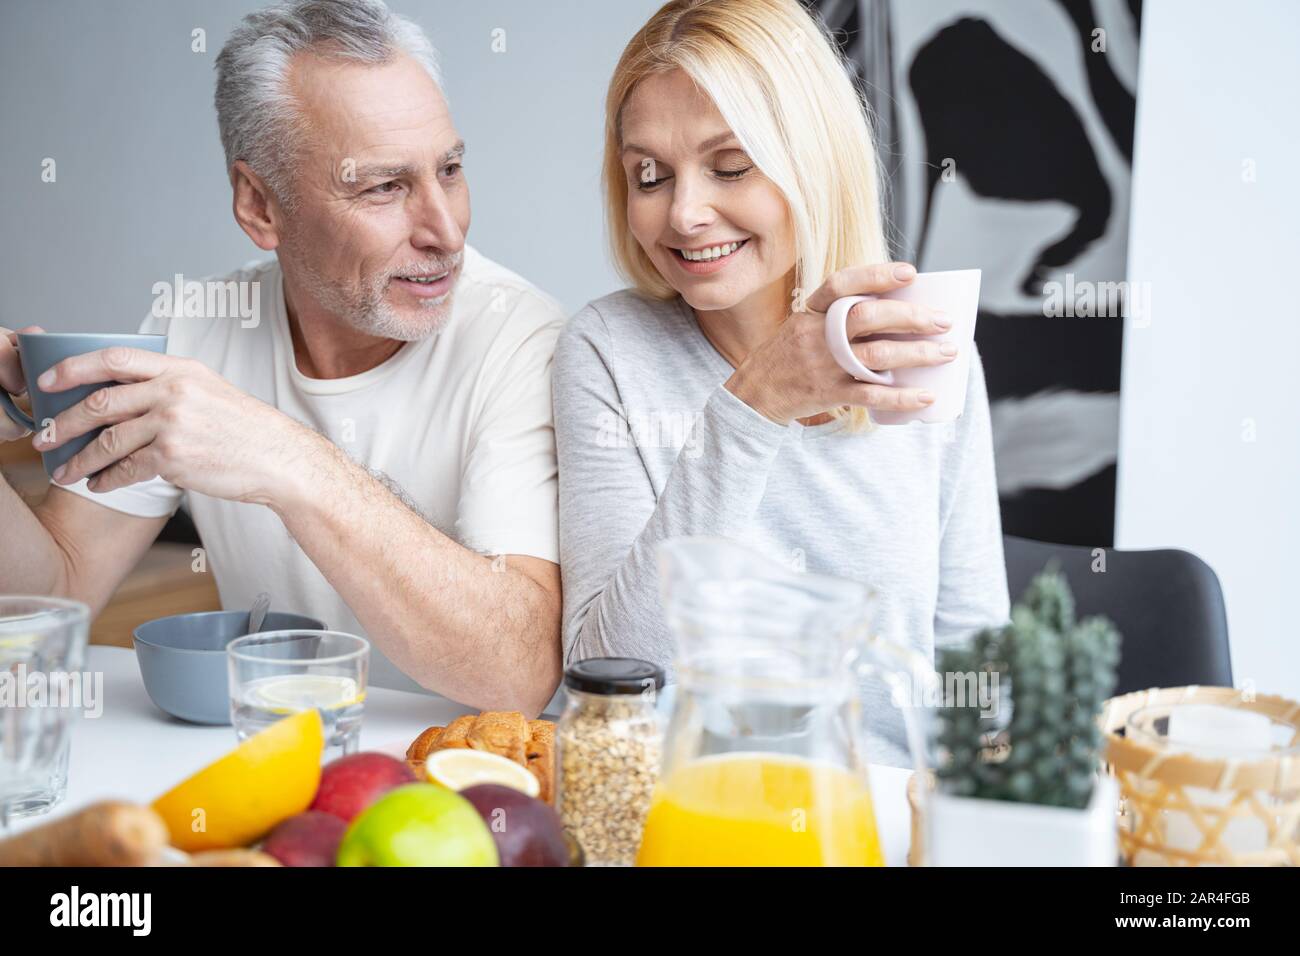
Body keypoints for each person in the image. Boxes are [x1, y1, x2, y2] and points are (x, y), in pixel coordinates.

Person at [0, 0, 562, 715]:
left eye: (448, 170)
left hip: (458, 785)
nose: (445, 231)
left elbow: (519, 673)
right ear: (261, 205)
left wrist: (284, 458)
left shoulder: (522, 337)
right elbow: (49, 599)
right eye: (386, 187)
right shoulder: (197, 324)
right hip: (270, 763)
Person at [553, 0, 1012, 764]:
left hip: (875, 823)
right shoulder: (608, 351)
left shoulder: (926, 348)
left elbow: (977, 670)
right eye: (650, 175)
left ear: (814, 158)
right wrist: (753, 406)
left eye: (731, 167)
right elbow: (606, 679)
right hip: (692, 814)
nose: (687, 213)